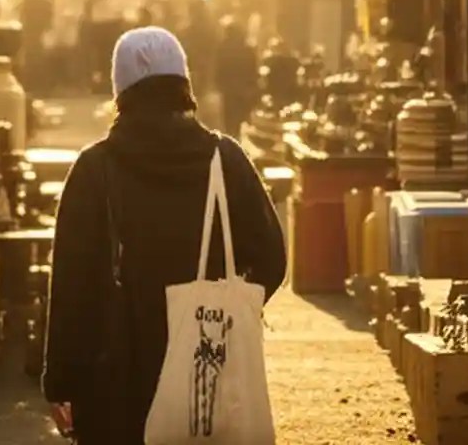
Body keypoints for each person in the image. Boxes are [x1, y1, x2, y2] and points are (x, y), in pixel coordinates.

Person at [42, 27, 286, 444]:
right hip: (207, 380)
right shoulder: (223, 160)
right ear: (184, 84)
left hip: (113, 388)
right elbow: (271, 260)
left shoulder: (93, 170)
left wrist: (61, 383)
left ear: (120, 90)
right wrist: (225, 305)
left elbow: (70, 286)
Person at [215, 18, 260, 138]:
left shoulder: (223, 48)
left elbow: (219, 69)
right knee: (240, 121)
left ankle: (233, 142)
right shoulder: (247, 49)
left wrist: (219, 84)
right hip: (242, 91)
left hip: (230, 91)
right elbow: (253, 71)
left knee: (230, 123)